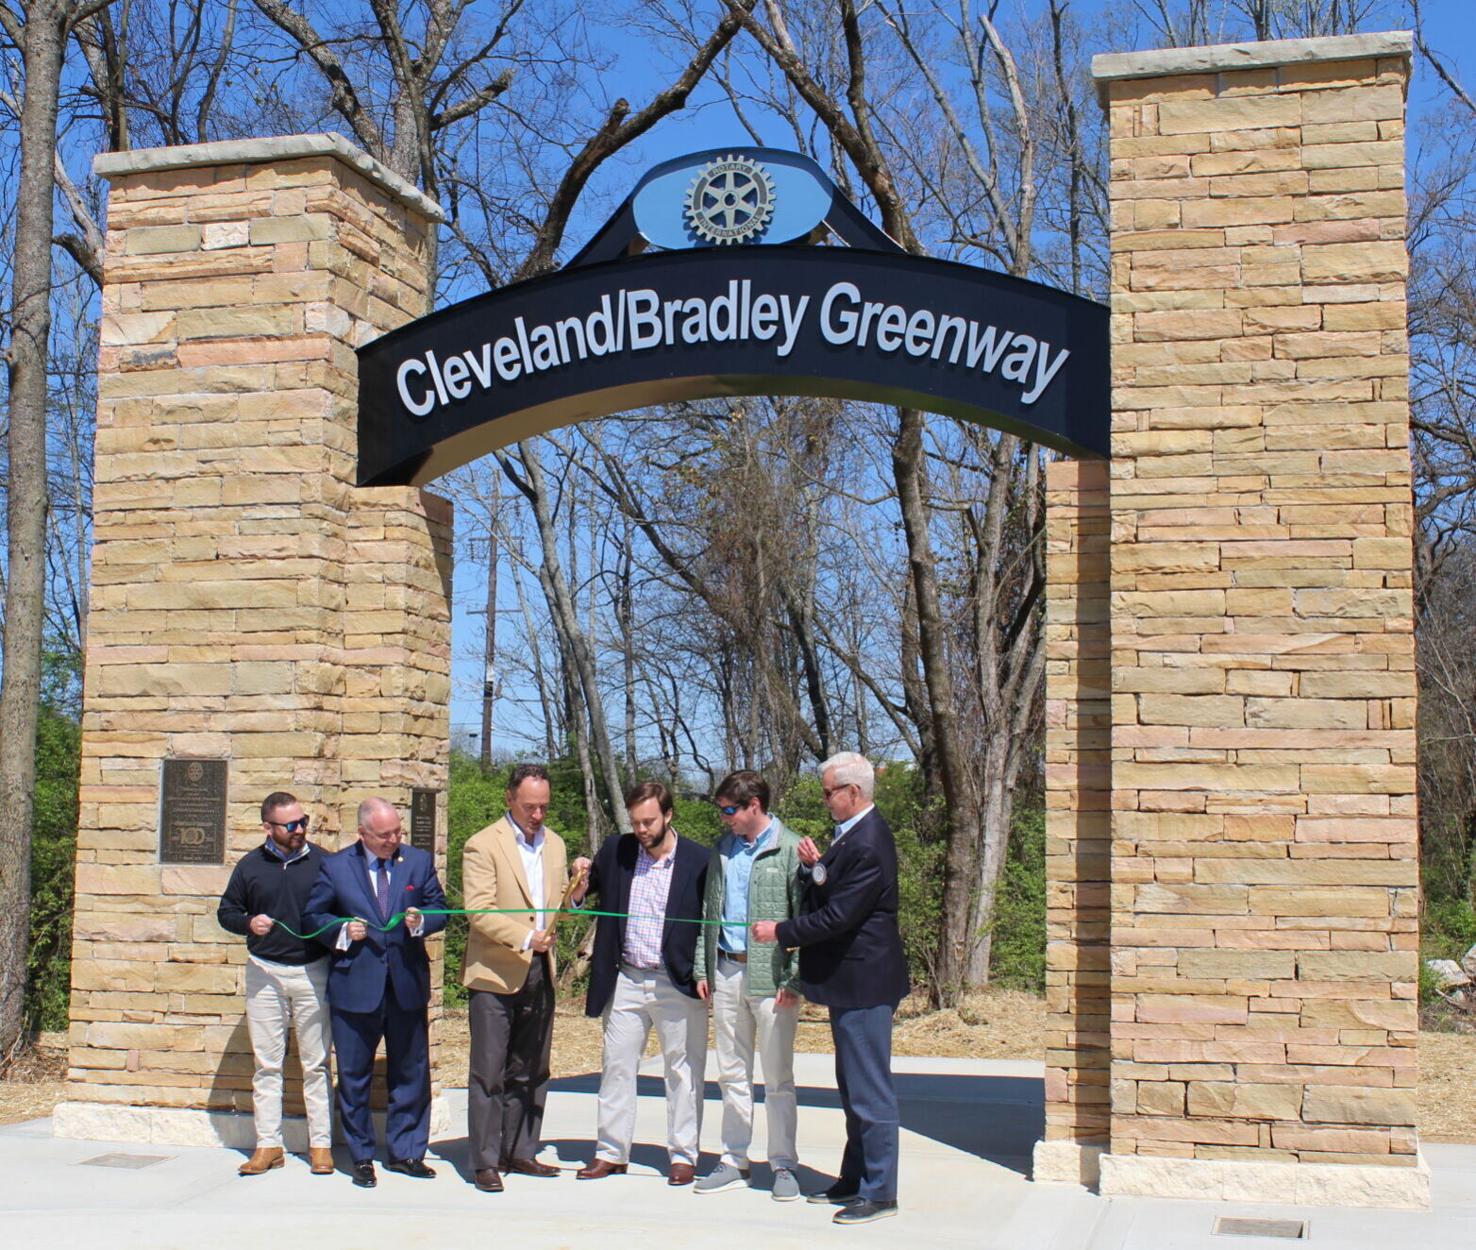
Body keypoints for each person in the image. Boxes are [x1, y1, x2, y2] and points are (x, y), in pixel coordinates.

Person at [751, 753, 908, 1225]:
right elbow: (832, 892)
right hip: (847, 984)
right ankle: (855, 1178)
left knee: (870, 1090)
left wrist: (781, 931)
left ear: (853, 793)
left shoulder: (869, 841)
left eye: (828, 793)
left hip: (865, 982)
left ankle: (880, 1191)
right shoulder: (851, 837)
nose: (825, 801)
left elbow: (841, 917)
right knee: (852, 1086)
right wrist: (814, 868)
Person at [303, 796, 449, 1189]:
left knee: (411, 1072)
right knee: (354, 1075)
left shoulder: (416, 862)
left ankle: (407, 1152)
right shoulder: (335, 867)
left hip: (406, 985)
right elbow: (314, 916)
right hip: (355, 986)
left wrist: (422, 921)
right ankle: (362, 1156)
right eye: (384, 835)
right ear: (362, 834)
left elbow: (440, 907)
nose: (393, 840)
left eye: (397, 832)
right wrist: (339, 931)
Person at [569, 780, 709, 1186]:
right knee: (616, 1066)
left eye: (649, 821)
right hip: (626, 977)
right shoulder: (617, 850)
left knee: (682, 1071)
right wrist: (578, 878)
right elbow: (579, 898)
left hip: (676, 982)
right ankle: (611, 1153)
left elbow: (710, 925)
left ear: (668, 816)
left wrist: (703, 973)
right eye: (635, 822)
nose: (642, 830)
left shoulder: (699, 860)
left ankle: (683, 1155)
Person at [694, 770, 805, 1201]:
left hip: (773, 979)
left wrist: (794, 976)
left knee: (778, 1077)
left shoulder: (791, 848)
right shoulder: (722, 851)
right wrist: (703, 968)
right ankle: (734, 1159)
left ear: (753, 805)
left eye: (729, 810)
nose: (725, 819)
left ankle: (783, 1166)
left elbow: (805, 918)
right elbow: (708, 912)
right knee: (731, 1073)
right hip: (726, 971)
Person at [460, 763, 571, 1193]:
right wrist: (527, 937)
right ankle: (486, 1160)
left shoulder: (556, 845)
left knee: (532, 1068)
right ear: (510, 798)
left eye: (544, 807)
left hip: (540, 972)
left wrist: (575, 892)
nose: (538, 815)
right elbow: (479, 910)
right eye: (530, 807)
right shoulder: (482, 845)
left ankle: (522, 1149)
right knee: (489, 1071)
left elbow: (561, 901)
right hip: (495, 973)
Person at [217, 791, 335, 1177]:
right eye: (291, 824)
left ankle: (321, 1146)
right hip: (264, 972)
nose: (300, 829)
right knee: (267, 1064)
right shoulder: (250, 866)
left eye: (303, 822)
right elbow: (227, 911)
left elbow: (342, 908)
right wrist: (248, 923)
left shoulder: (324, 863)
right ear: (268, 827)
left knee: (316, 1063)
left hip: (312, 970)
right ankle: (268, 1145)